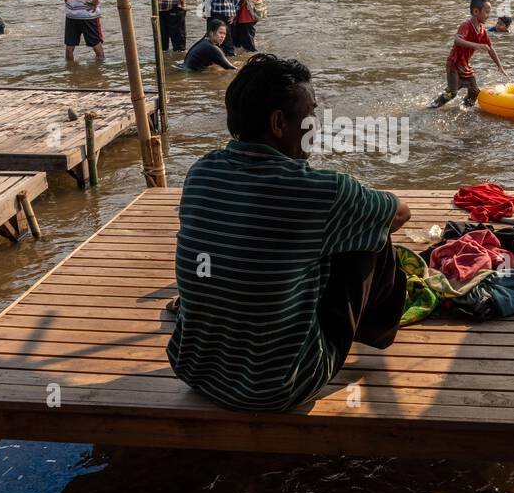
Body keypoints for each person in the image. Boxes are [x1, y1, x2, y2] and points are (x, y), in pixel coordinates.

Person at [167, 54, 410, 412]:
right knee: (371, 231)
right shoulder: (323, 192)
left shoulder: (201, 171)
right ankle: (376, 331)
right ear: (279, 122)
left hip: (194, 369)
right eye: (311, 114)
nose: (318, 125)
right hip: (275, 387)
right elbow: (402, 212)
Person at [429, 0, 507, 108]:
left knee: (475, 91)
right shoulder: (466, 26)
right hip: (454, 64)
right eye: (486, 12)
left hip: (465, 65)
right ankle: (433, 106)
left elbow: (491, 49)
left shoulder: (482, 30)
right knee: (452, 93)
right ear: (476, 11)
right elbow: (457, 40)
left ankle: (465, 109)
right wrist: (475, 45)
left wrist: (500, 66)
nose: (488, 16)